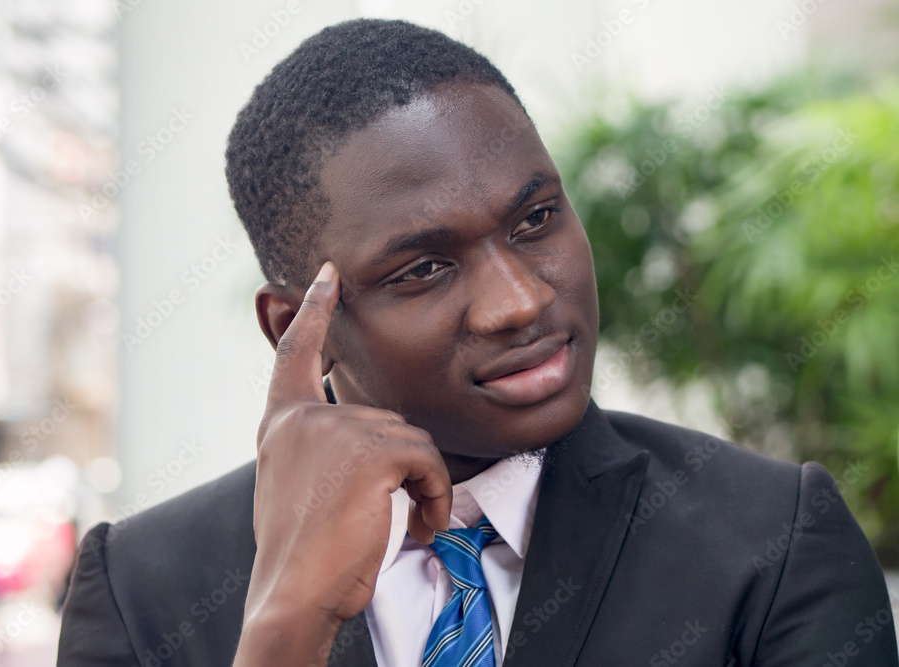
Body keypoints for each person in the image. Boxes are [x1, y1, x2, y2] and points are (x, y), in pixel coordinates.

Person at [56, 18, 899, 667]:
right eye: (423, 268)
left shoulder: (773, 542)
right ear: (295, 326)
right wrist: (285, 626)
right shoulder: (141, 589)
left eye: (536, 219)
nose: (520, 300)